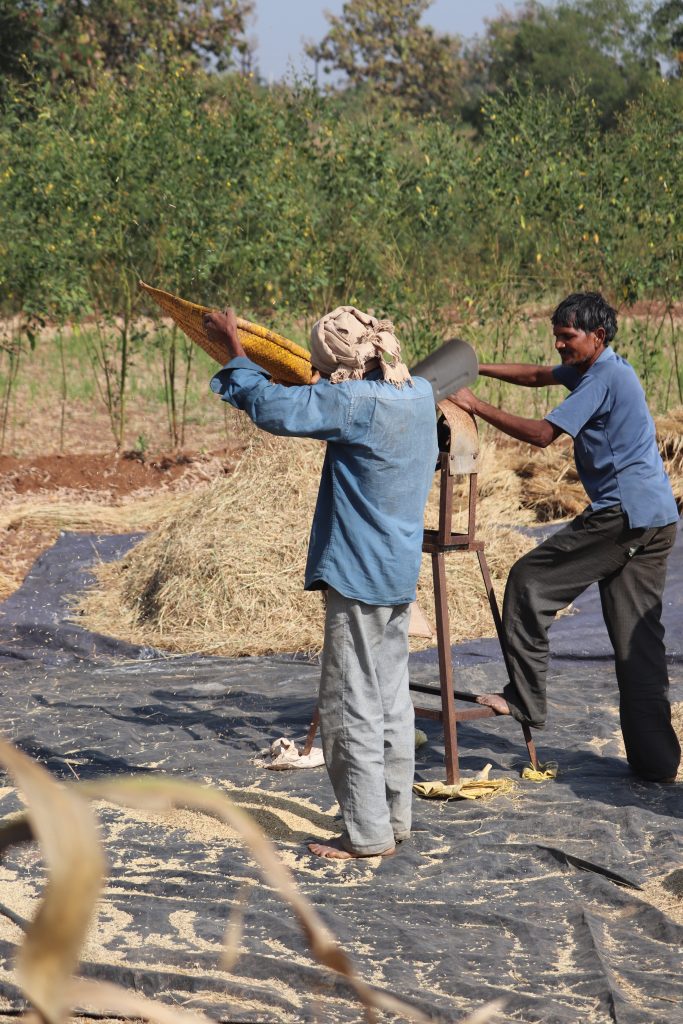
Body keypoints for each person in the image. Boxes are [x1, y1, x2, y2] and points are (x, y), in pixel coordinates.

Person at [204, 305, 438, 857]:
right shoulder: (420, 394)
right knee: (390, 701)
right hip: (398, 570)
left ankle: (366, 834)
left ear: (338, 366)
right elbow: (336, 395)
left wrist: (234, 346)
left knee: (349, 704)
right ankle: (394, 821)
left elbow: (266, 405)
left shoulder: (352, 403)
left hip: (357, 574)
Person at [449, 292, 680, 783]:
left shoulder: (603, 379)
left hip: (624, 515)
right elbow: (536, 375)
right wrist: (479, 369)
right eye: (556, 336)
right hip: (657, 518)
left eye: (567, 337)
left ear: (597, 336)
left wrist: (472, 402)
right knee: (635, 639)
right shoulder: (600, 367)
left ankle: (523, 698)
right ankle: (657, 762)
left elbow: (539, 435)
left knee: (529, 582)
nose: (558, 346)